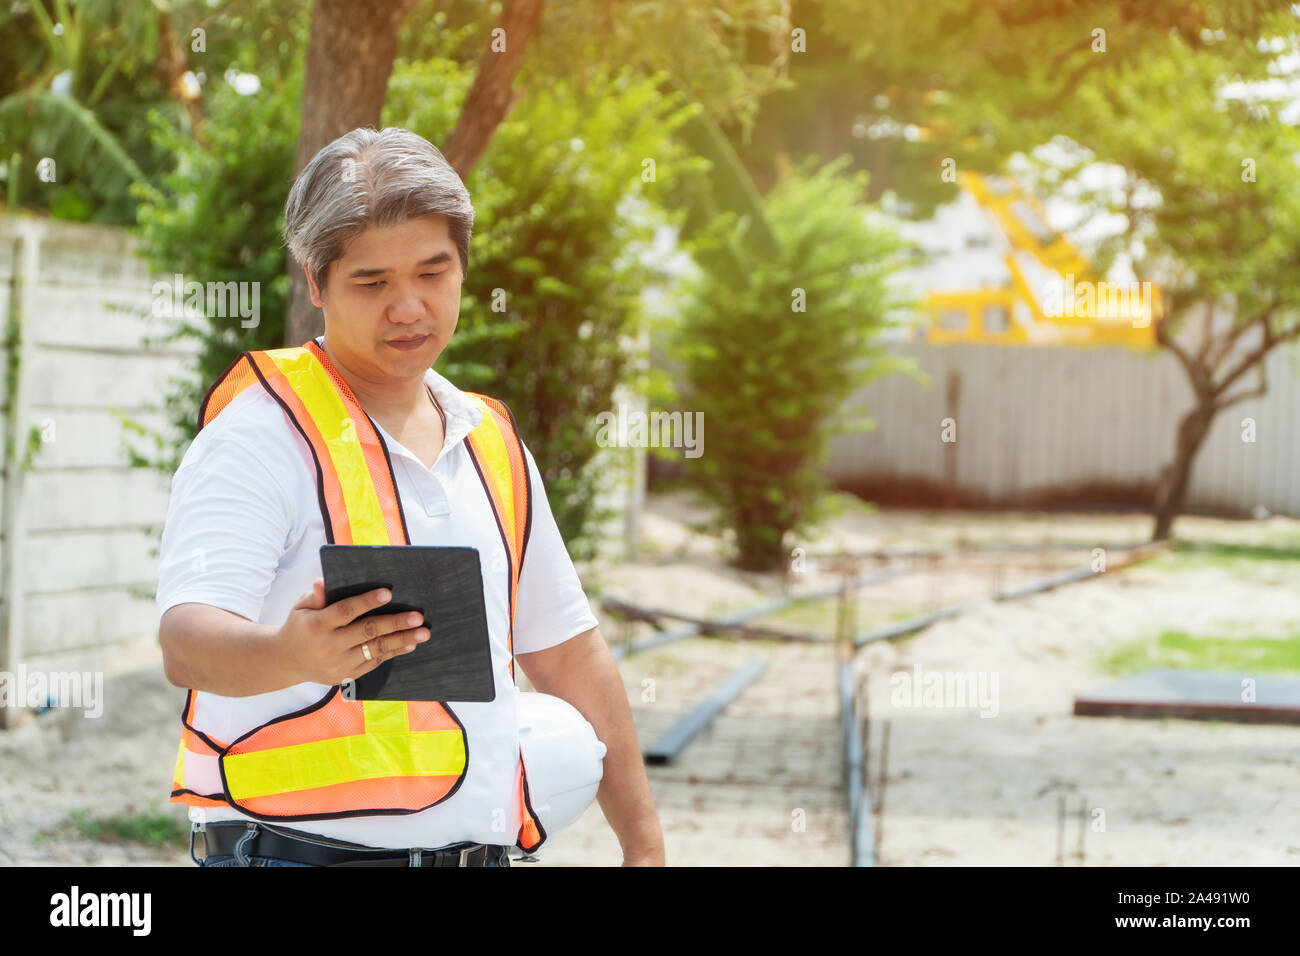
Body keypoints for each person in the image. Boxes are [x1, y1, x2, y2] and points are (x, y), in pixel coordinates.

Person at [156, 126, 665, 867]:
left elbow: (567, 653)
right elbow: (186, 641)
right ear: (315, 282)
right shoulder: (257, 438)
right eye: (372, 282)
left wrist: (645, 848)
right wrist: (290, 654)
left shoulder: (489, 439)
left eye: (433, 272)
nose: (408, 307)